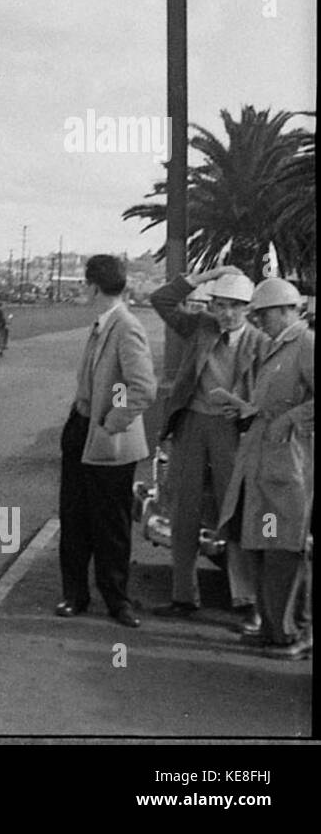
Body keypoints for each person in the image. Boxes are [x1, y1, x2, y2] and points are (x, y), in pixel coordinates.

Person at [148, 266, 267, 622]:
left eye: (235, 306)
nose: (226, 314)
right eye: (220, 305)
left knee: (235, 511)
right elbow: (162, 299)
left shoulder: (261, 343)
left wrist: (248, 412)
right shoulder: (200, 326)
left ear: (249, 309)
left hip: (233, 432)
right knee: (183, 510)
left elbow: (273, 393)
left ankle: (244, 598)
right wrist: (208, 274)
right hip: (192, 425)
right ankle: (183, 596)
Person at [55, 255, 157, 628]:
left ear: (93, 286)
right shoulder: (103, 325)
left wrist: (108, 421)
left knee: (110, 522)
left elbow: (141, 387)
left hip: (106, 438)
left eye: (85, 285)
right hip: (81, 430)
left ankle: (117, 599)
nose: (83, 291)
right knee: (75, 516)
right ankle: (75, 594)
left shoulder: (125, 327)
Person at [216, 278, 314, 660]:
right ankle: (273, 629)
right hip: (263, 470)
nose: (262, 320)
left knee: (287, 550)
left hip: (289, 470)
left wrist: (291, 418)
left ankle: (295, 633)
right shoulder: (276, 348)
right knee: (265, 546)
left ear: (290, 311)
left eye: (267, 313)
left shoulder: (304, 344)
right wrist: (247, 410)